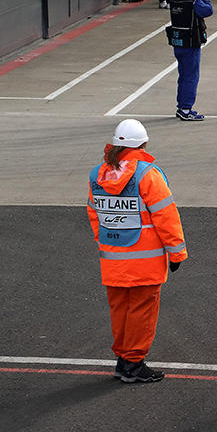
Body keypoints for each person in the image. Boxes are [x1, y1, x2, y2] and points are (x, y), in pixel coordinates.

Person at [87, 118, 188, 384]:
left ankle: (123, 360)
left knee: (120, 310)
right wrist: (177, 253)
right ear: (143, 144)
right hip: (145, 262)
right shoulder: (147, 174)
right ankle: (133, 363)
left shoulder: (98, 174)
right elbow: (165, 215)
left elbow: (94, 213)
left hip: (113, 260)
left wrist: (106, 240)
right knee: (142, 311)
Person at [169, 0, 213, 120]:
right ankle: (186, 109)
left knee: (183, 76)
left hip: (178, 43)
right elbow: (208, 10)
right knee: (191, 77)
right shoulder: (194, 1)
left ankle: (182, 106)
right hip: (191, 44)